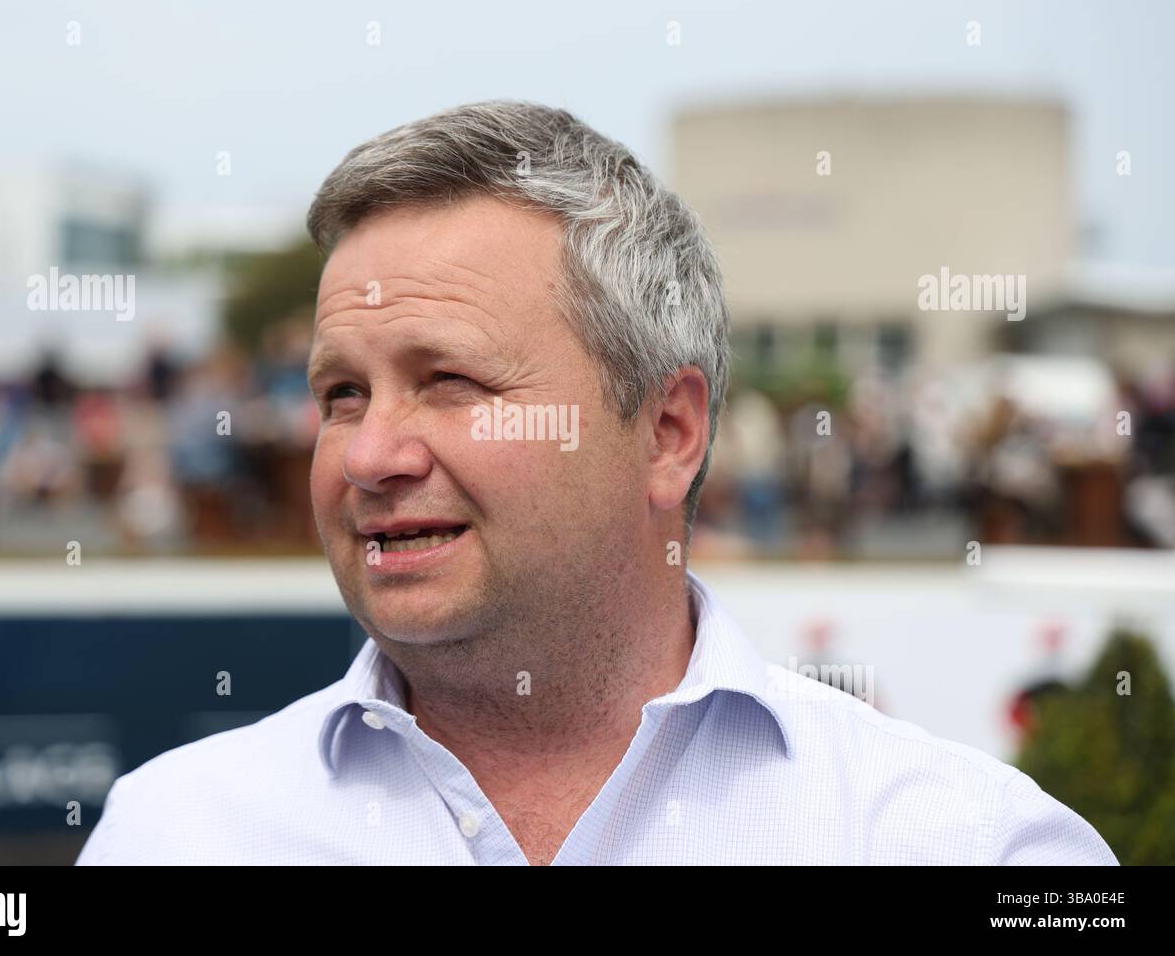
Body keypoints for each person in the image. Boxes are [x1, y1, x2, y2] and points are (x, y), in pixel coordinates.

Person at [76, 100, 1116, 865]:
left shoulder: (964, 845)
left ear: (667, 431)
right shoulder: (173, 834)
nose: (368, 454)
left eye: (449, 382)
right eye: (342, 393)